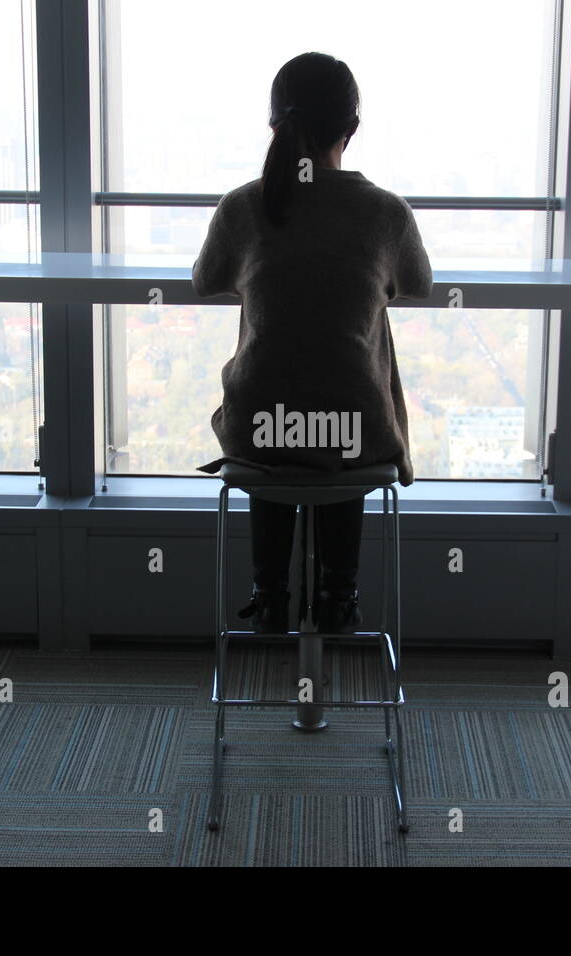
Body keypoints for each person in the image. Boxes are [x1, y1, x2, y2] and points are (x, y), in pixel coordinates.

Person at [194, 51, 433, 634]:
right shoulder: (385, 213)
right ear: (352, 129)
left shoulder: (242, 206)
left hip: (260, 432)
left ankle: (269, 593)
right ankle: (337, 597)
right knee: (346, 408)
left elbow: (205, 280)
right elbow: (419, 285)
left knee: (274, 415)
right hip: (355, 435)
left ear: (274, 124)